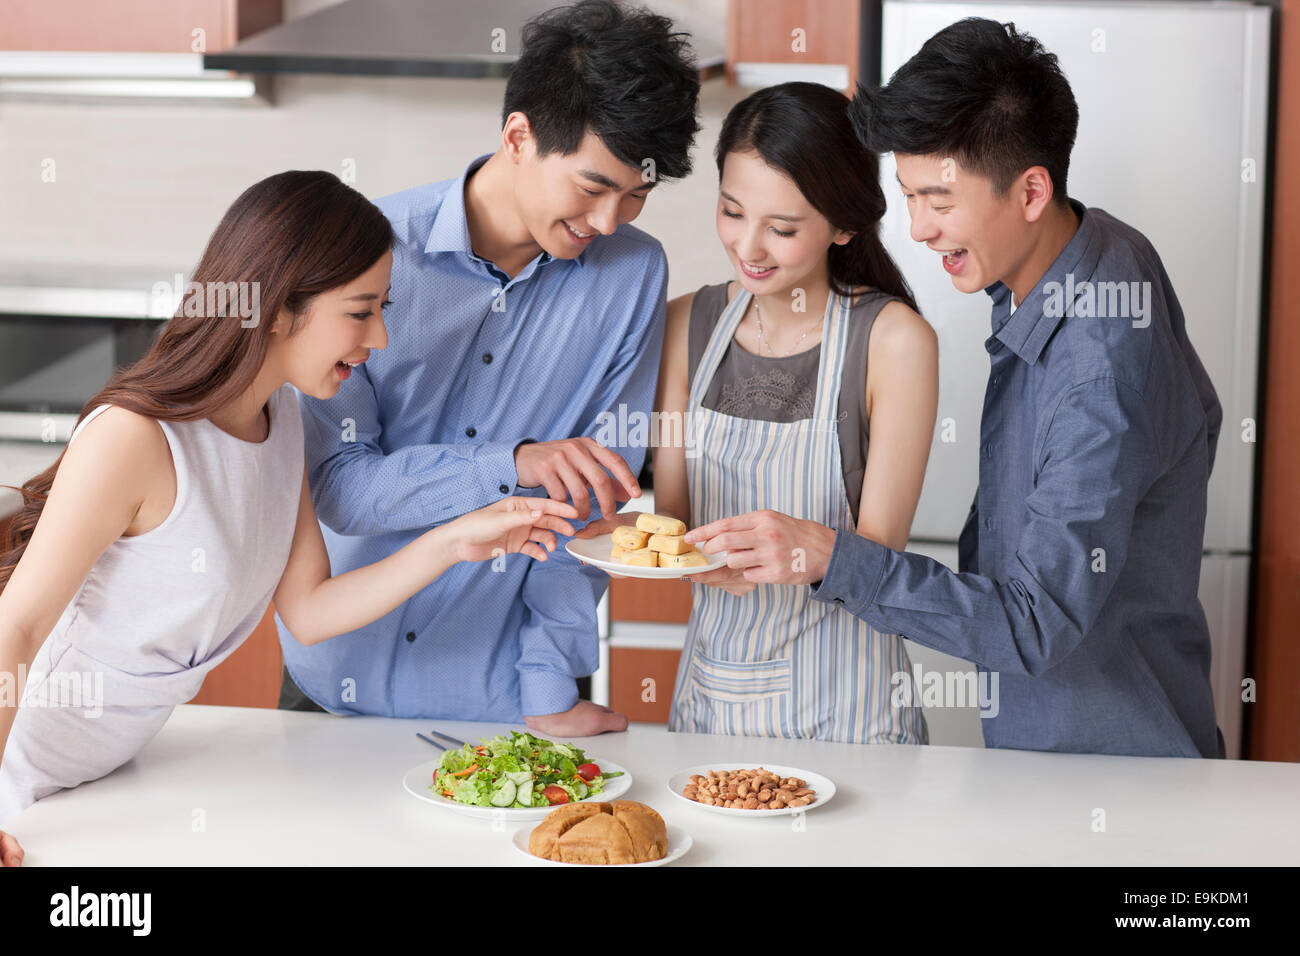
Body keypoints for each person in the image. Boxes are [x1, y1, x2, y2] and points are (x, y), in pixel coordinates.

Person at [0, 170, 578, 865]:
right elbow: (18, 626)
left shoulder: (284, 420)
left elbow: (308, 608)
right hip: (19, 784)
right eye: (361, 310)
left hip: (102, 781)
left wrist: (458, 540)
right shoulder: (136, 438)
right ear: (277, 309)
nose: (381, 337)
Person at [686, 18, 1225, 758]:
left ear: (1032, 190)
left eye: (940, 199)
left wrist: (829, 557)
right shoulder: (1098, 256)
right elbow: (1199, 426)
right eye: (908, 196)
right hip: (1053, 735)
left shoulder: (1096, 362)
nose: (919, 228)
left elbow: (1036, 626)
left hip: (1108, 763)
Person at [272, 0, 700, 736]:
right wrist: (514, 464)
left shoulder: (633, 273)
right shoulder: (373, 254)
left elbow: (593, 507)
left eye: (636, 196)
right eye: (594, 187)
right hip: (331, 683)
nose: (608, 223)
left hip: (505, 702)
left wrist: (545, 686)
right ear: (518, 136)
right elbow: (340, 487)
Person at [582, 82, 938, 743]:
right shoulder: (687, 326)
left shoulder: (893, 342)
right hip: (715, 699)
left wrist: (801, 549)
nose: (749, 247)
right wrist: (625, 531)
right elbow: (679, 524)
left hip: (850, 708)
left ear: (844, 225)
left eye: (781, 228)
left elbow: (879, 565)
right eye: (731, 211)